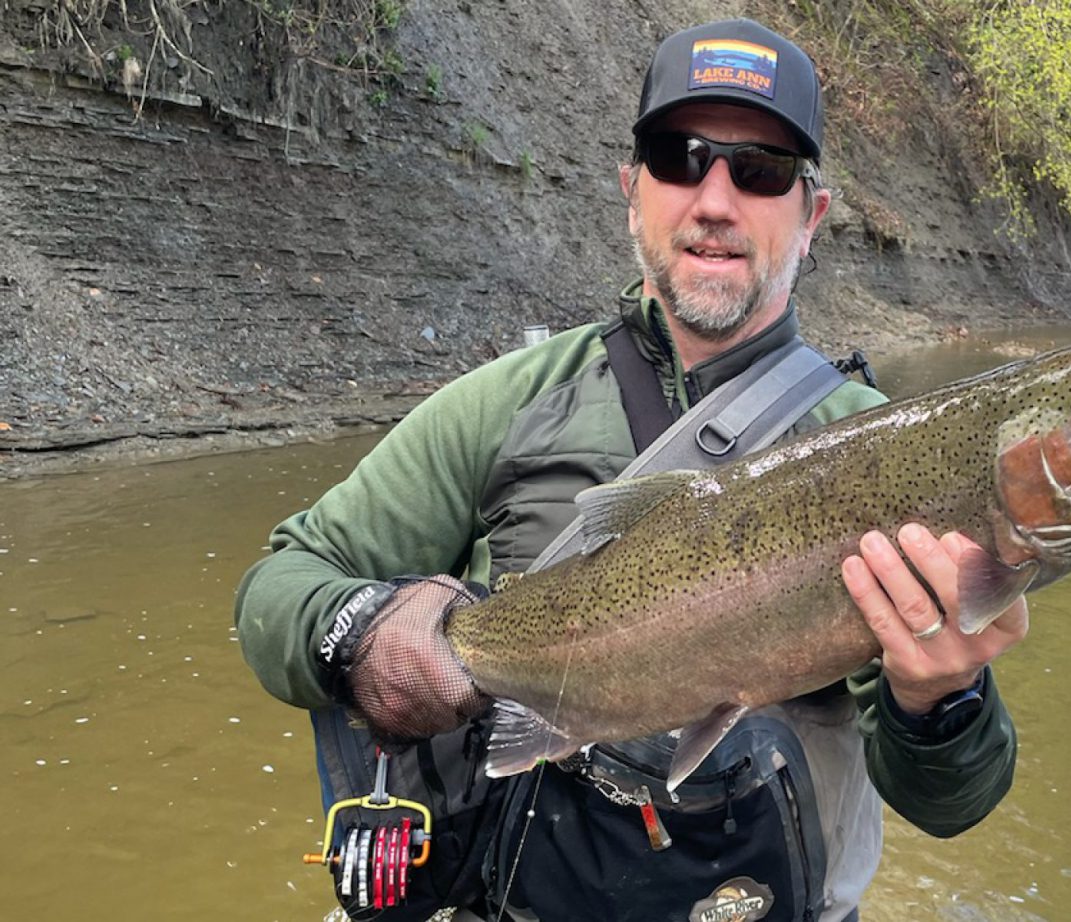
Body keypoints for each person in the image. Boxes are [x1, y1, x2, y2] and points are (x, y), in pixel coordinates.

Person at [235, 18, 1026, 922]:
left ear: (812, 216)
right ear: (631, 191)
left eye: (761, 170)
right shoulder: (505, 405)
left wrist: (943, 701)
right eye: (679, 158)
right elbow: (278, 588)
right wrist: (366, 634)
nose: (715, 200)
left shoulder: (882, 450)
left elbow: (948, 804)